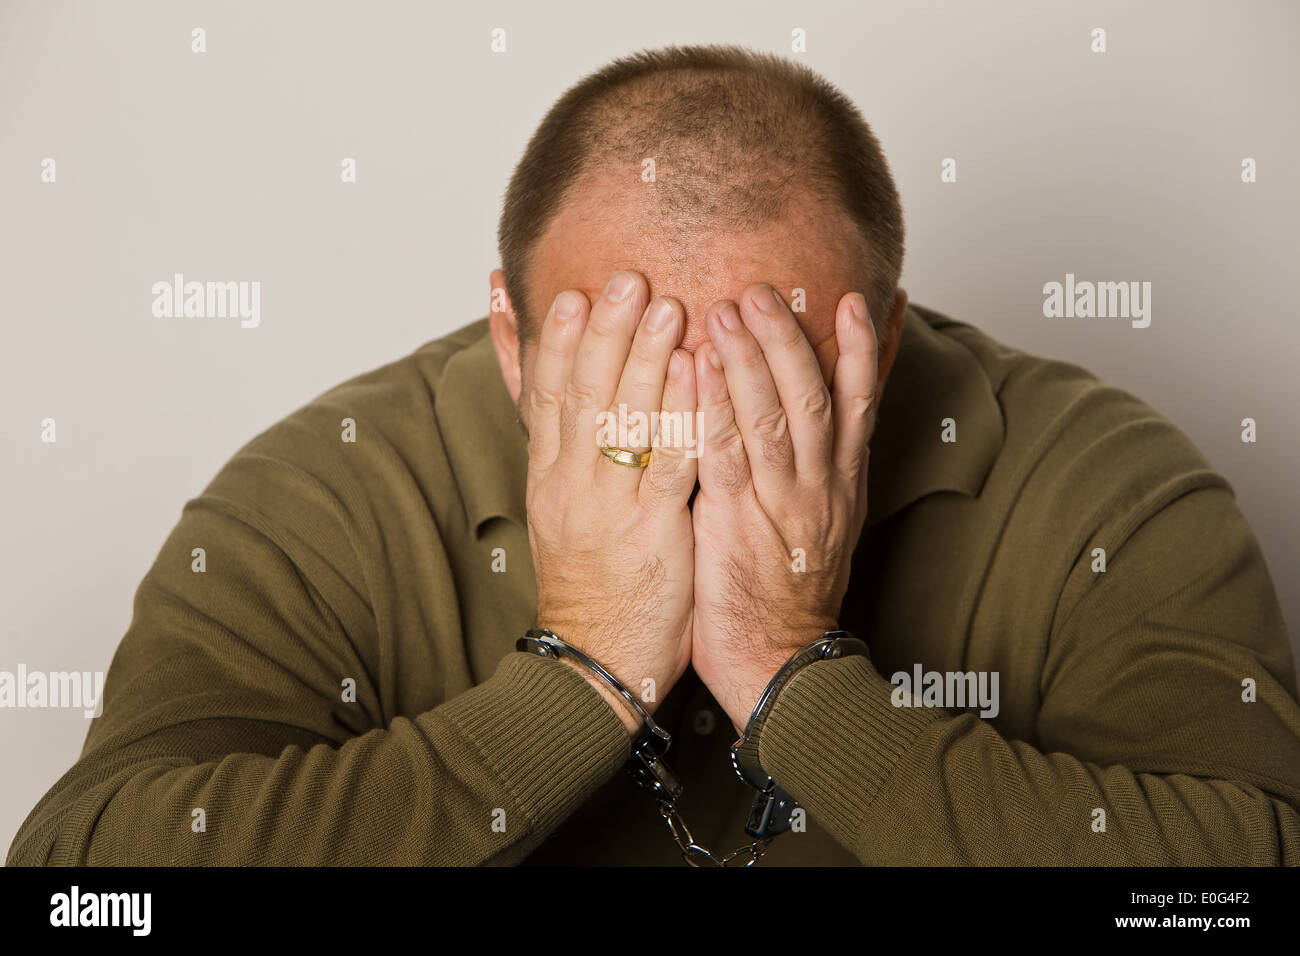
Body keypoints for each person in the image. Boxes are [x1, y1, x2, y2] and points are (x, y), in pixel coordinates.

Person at [10, 44, 1299, 867]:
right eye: (618, 370)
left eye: (764, 372)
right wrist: (579, 673)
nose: (688, 437)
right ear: (511, 343)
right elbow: (84, 891)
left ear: (887, 338)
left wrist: (799, 680)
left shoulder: (1106, 485)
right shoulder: (321, 493)